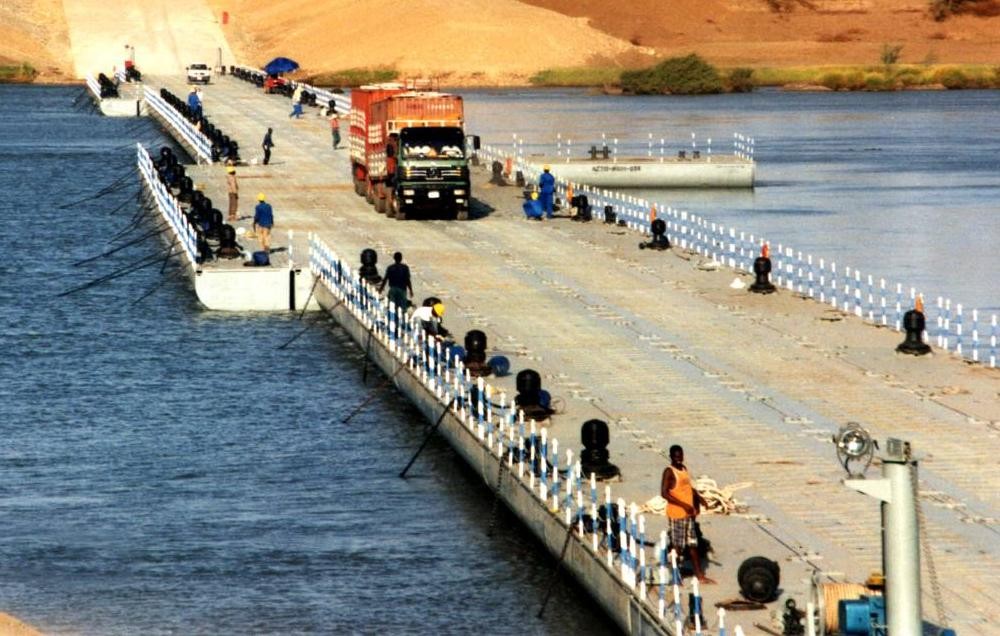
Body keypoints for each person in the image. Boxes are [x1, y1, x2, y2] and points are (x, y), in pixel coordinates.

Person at [661, 445, 715, 584]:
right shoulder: (669, 472)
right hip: (677, 514)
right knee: (677, 547)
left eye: (680, 456)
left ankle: (699, 575)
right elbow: (664, 493)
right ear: (671, 457)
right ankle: (675, 576)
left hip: (688, 515)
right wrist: (684, 505)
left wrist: (699, 498)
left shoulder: (683, 469)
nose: (679, 459)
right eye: (676, 457)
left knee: (692, 545)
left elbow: (687, 488)